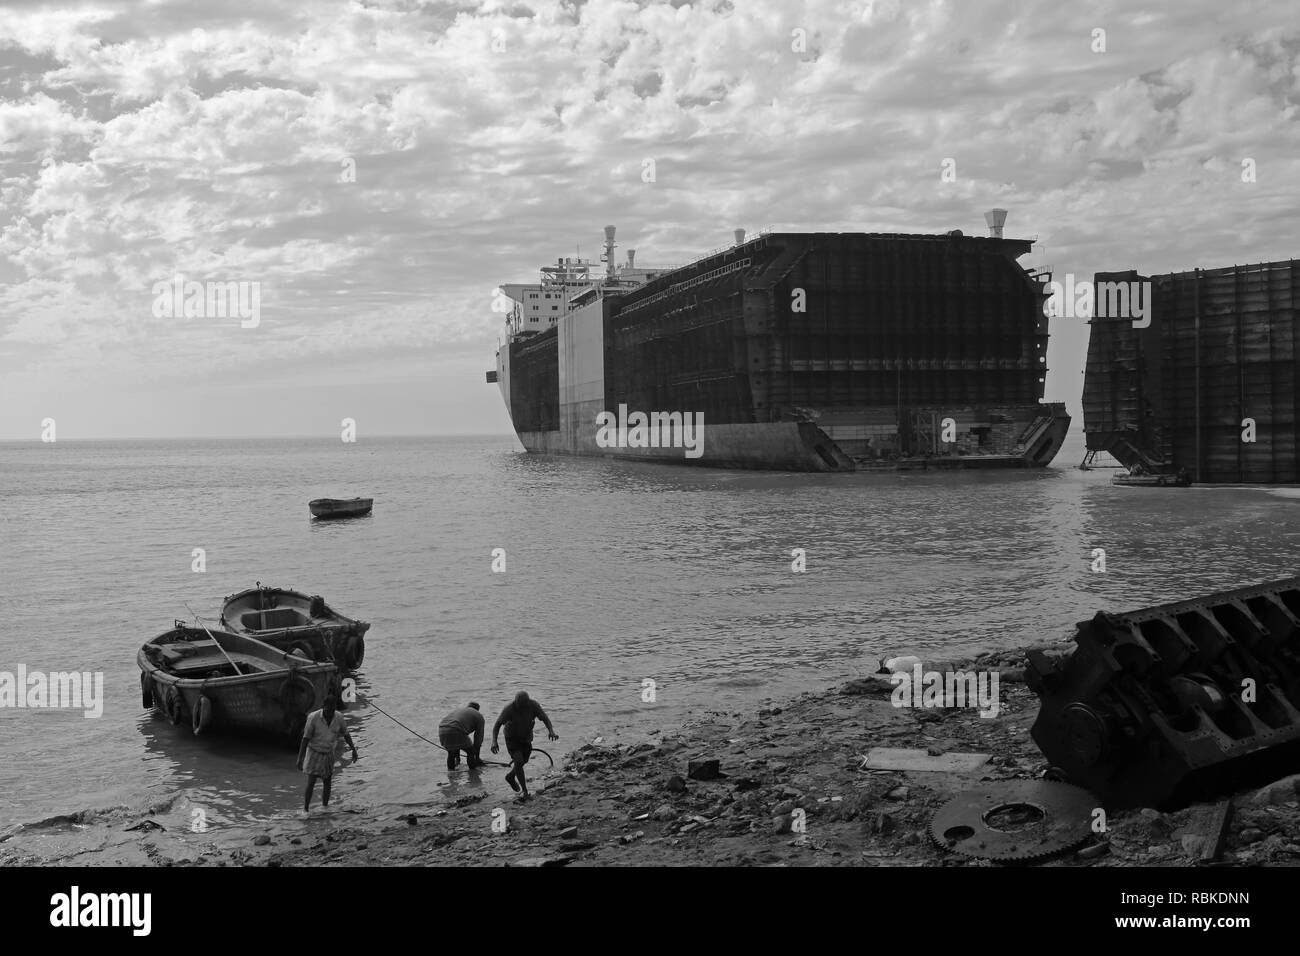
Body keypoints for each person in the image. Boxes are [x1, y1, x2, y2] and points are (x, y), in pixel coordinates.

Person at [490, 691, 558, 801]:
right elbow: (497, 725)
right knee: (519, 761)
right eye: (519, 705)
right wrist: (494, 742)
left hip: (526, 737)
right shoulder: (509, 709)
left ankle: (510, 776)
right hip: (512, 738)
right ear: (516, 702)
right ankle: (525, 791)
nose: (521, 708)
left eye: (524, 705)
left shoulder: (533, 705)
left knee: (523, 761)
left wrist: (551, 731)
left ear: (528, 702)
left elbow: (545, 718)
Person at [297, 694, 358, 814]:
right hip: (314, 750)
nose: (329, 713)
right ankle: (305, 809)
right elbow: (305, 738)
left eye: (332, 710)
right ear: (323, 707)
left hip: (329, 751)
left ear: (335, 708)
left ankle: (325, 807)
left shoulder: (339, 717)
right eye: (327, 710)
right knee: (311, 782)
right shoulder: (313, 717)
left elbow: (346, 734)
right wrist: (300, 758)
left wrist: (353, 749)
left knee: (328, 781)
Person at [438, 701, 485, 771]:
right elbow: (478, 739)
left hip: (442, 729)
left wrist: (458, 758)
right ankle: (473, 773)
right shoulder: (478, 716)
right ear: (477, 709)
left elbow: (456, 741)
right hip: (456, 729)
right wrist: (477, 758)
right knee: (471, 752)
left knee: (451, 753)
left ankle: (451, 773)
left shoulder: (460, 711)